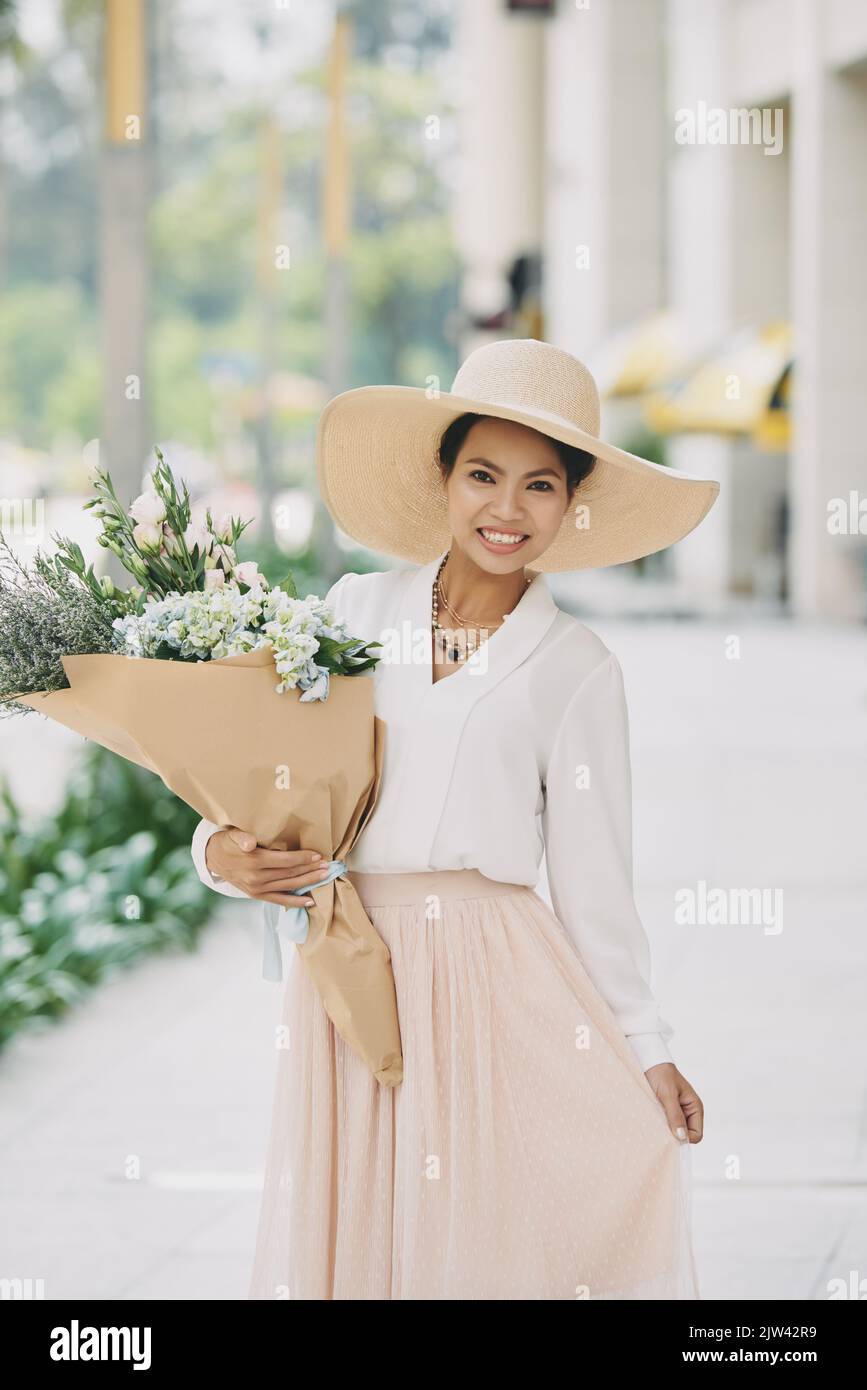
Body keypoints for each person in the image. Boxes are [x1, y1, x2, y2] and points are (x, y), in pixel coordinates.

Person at [191, 338, 718, 1300]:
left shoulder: (575, 667)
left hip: (497, 977)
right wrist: (219, 850)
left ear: (571, 502)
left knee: (479, 1243)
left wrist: (647, 1048)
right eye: (482, 475)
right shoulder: (351, 611)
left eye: (541, 486)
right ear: (443, 477)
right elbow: (266, 778)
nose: (506, 511)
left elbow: (595, 881)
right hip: (350, 964)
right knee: (361, 1234)